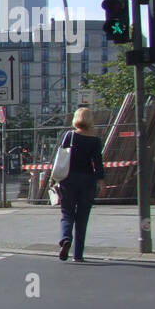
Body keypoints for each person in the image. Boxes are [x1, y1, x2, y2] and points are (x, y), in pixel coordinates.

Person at [55, 108, 106, 262]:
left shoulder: (69, 136)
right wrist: (101, 181)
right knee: (83, 218)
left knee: (67, 213)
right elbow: (98, 163)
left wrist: (53, 177)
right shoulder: (95, 140)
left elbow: (60, 157)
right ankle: (78, 255)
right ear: (90, 120)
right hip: (88, 181)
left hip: (68, 179)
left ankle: (65, 239)